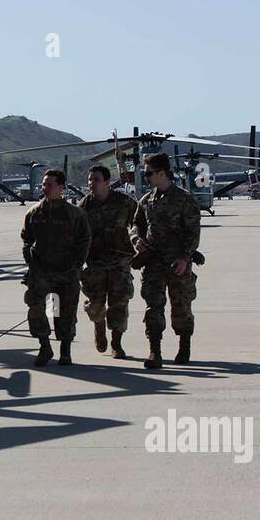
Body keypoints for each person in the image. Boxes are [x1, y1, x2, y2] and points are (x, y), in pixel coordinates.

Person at [130, 152, 201, 369]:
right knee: (153, 307)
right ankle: (155, 351)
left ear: (162, 173)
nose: (146, 176)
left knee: (181, 306)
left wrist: (184, 258)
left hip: (177, 263)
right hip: (153, 262)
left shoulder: (184, 199)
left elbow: (193, 232)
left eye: (149, 173)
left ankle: (184, 344)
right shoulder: (146, 200)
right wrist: (136, 239)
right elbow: (136, 223)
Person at [21, 168, 91, 366]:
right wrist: (30, 261)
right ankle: (45, 346)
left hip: (66, 271)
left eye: (50, 184)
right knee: (35, 308)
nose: (46, 188)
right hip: (40, 272)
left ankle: (65, 350)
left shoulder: (75, 214)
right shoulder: (34, 213)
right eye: (44, 184)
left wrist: (77, 265)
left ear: (61, 187)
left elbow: (84, 241)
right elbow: (26, 239)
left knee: (65, 312)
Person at [77, 164, 138, 358]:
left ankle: (116, 343)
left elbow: (139, 223)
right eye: (89, 180)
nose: (91, 183)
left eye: (95, 180)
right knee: (95, 304)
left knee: (119, 304)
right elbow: (76, 235)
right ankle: (99, 325)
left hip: (120, 261)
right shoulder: (84, 206)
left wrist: (138, 240)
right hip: (95, 263)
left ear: (107, 183)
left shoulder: (125, 203)